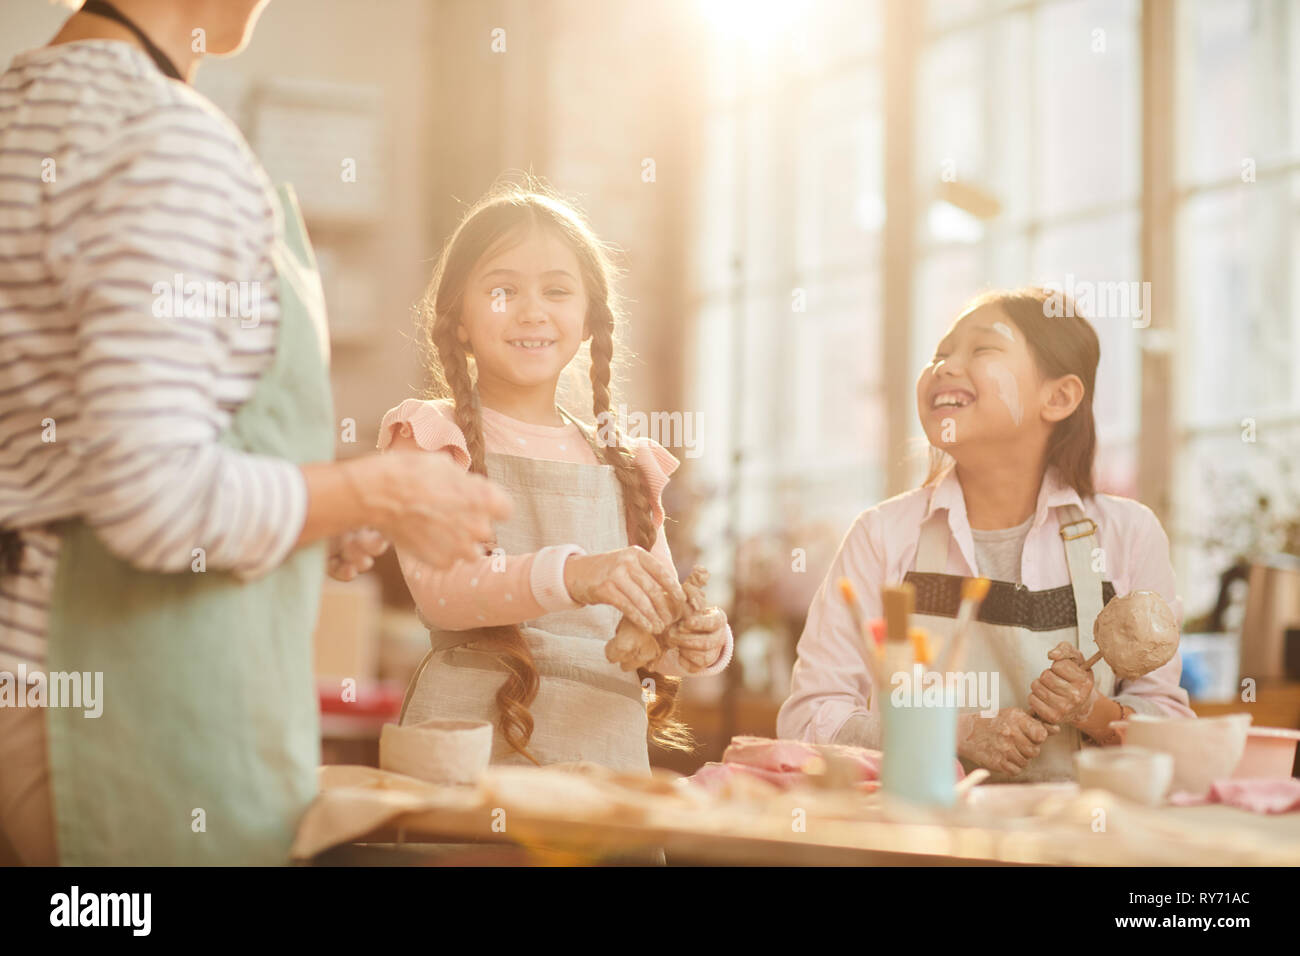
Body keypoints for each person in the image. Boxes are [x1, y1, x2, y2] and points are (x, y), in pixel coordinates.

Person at [0, 0, 511, 865]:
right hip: (120, 718)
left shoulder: (23, 106)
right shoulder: (163, 139)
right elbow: (154, 500)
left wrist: (317, 517)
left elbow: (78, 458)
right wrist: (377, 487)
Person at [377, 183, 733, 774]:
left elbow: (657, 622)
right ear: (458, 318)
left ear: (590, 318)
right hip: (469, 756)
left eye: (557, 291)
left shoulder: (626, 461)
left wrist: (697, 641)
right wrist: (576, 574)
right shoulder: (429, 436)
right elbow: (445, 592)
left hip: (603, 762)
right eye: (502, 290)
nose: (532, 310)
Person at [777, 287, 1193, 782]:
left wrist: (1093, 711)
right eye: (940, 353)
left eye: (982, 349)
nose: (944, 367)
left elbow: (1173, 732)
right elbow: (808, 719)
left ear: (1058, 397)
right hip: (922, 845)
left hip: (1080, 845)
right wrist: (956, 730)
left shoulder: (1128, 535)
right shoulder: (881, 536)